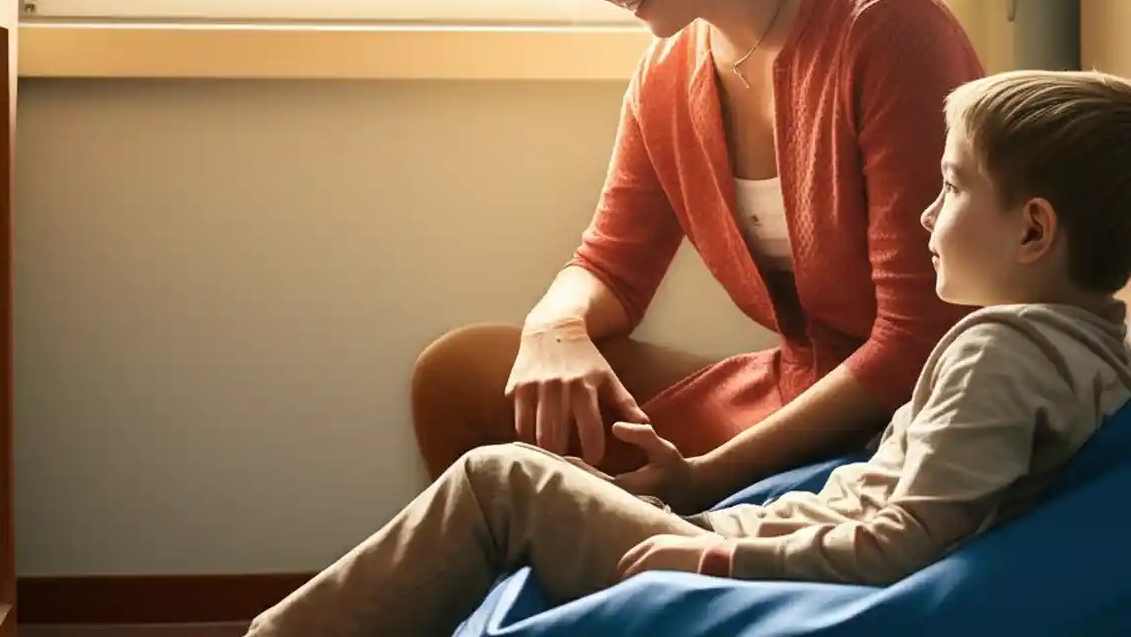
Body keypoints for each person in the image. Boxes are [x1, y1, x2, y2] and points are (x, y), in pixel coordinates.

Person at [248, 68, 1131, 637]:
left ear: (1033, 231)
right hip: (767, 537)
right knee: (534, 468)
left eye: (951, 185)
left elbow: (904, 542)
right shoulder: (1094, 348)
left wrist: (715, 557)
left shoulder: (997, 352)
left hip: (757, 568)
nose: (927, 213)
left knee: (498, 482)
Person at [411, 0, 986, 510]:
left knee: (570, 489)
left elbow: (920, 340)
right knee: (458, 376)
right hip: (792, 394)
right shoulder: (667, 74)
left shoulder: (889, 26)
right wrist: (554, 327)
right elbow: (610, 267)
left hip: (905, 425)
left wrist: (705, 477)